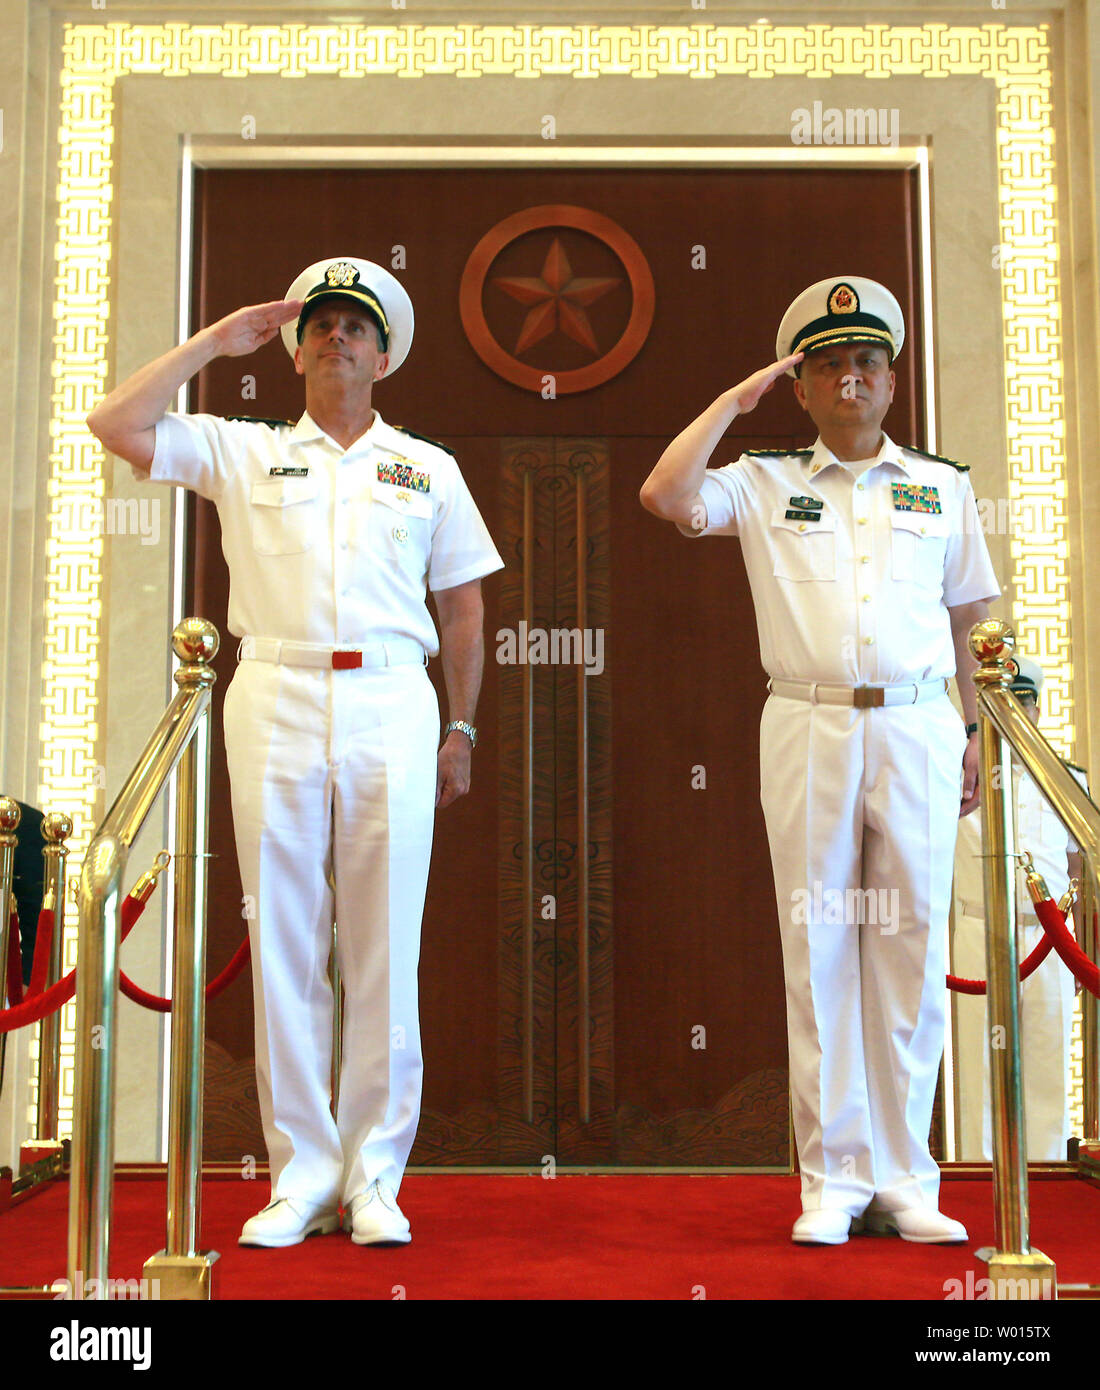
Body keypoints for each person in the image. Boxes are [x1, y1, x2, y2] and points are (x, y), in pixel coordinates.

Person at [87, 257, 503, 1248]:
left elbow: (464, 604)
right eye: (319, 323)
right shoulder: (241, 448)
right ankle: (300, 1173)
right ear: (292, 346)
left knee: (380, 943)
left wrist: (461, 725)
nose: (336, 337)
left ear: (383, 353)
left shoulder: (427, 468)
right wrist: (208, 344)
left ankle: (373, 1175)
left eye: (356, 326)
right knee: (281, 937)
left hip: (391, 697)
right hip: (271, 688)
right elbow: (114, 425)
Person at [640, 276, 1000, 1245]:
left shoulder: (942, 484)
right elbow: (664, 493)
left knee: (911, 944)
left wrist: (971, 734)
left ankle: (905, 1176)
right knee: (822, 945)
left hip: (921, 727)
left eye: (867, 363)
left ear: (891, 382)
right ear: (800, 385)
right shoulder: (763, 480)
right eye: (830, 364)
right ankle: (832, 1178)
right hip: (809, 725)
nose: (851, 379)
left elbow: (969, 621)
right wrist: (731, 402)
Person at [952, 656, 1089, 1161]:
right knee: (980, 1064)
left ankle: (1050, 1170)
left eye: (1023, 702)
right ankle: (976, 1173)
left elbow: (1079, 870)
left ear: (1035, 709)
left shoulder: (1069, 780)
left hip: (1050, 940)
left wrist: (1081, 946)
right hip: (978, 929)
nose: (1015, 714)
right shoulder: (958, 780)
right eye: (1002, 705)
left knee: (1047, 1062)